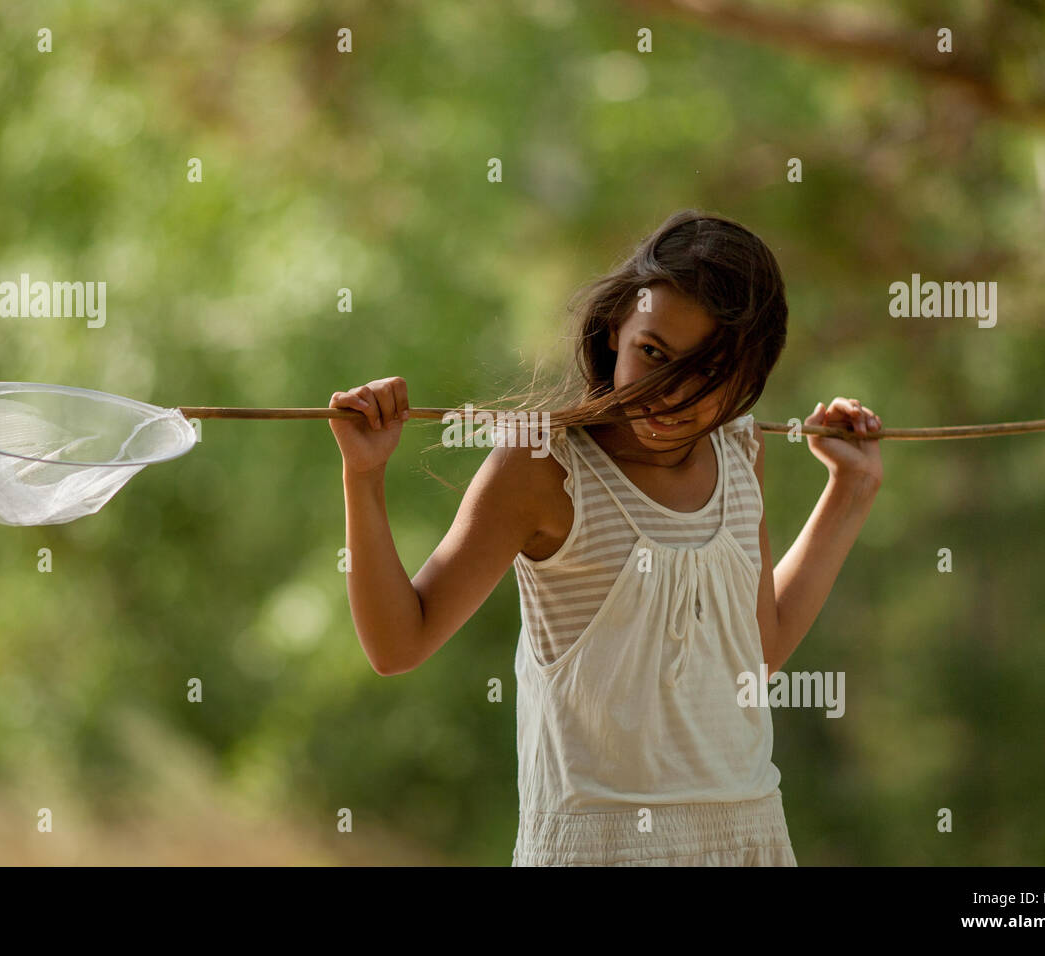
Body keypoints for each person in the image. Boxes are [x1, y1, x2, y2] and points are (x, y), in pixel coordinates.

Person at [328, 209, 883, 865]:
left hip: (747, 840)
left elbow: (751, 659)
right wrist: (363, 475)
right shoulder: (542, 467)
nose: (666, 394)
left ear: (748, 380)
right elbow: (398, 643)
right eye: (653, 353)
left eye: (705, 374)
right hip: (598, 849)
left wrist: (849, 495)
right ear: (617, 324)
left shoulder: (739, 452)